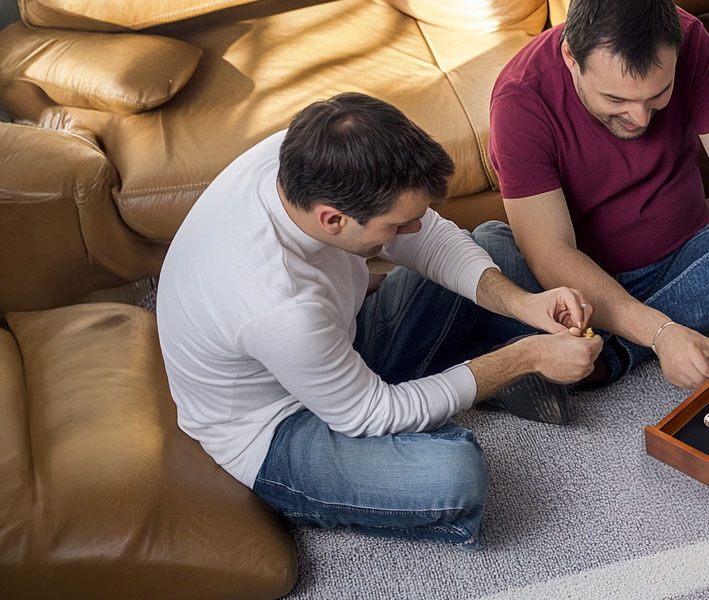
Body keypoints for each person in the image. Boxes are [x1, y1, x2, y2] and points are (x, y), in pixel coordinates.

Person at [156, 93, 602, 549]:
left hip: (339, 343)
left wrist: (523, 305)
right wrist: (523, 358)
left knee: (493, 244)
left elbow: (428, 238)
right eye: (397, 225)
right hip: (276, 426)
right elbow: (374, 413)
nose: (414, 229)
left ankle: (487, 367)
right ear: (332, 220)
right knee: (453, 477)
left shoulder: (302, 155)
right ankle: (491, 376)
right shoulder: (280, 306)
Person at [485, 0, 709, 392]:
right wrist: (661, 332)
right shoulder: (520, 97)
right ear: (571, 57)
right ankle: (614, 339)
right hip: (579, 288)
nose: (640, 119)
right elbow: (550, 251)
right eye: (616, 100)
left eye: (657, 95)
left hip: (682, 261)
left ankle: (607, 354)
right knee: (488, 251)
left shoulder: (691, 41)